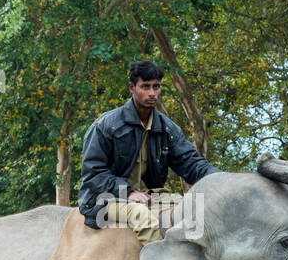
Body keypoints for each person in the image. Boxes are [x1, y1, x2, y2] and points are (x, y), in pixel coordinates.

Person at [76, 60, 219, 244]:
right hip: (104, 200)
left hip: (151, 195)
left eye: (156, 87)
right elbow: (93, 174)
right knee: (141, 215)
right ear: (132, 87)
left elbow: (191, 164)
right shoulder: (106, 126)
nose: (152, 93)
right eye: (145, 87)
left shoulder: (167, 128)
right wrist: (127, 193)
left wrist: (222, 179)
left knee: (193, 208)